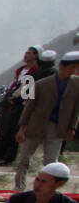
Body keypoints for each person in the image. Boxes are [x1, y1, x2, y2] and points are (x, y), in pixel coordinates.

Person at [13, 50, 79, 191]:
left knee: (51, 162)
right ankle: (19, 186)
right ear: (61, 66)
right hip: (37, 126)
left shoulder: (75, 85)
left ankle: (47, 189)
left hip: (58, 127)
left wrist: (72, 127)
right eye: (71, 68)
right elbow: (29, 108)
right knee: (25, 158)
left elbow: (75, 109)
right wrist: (22, 128)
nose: (73, 71)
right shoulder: (41, 84)